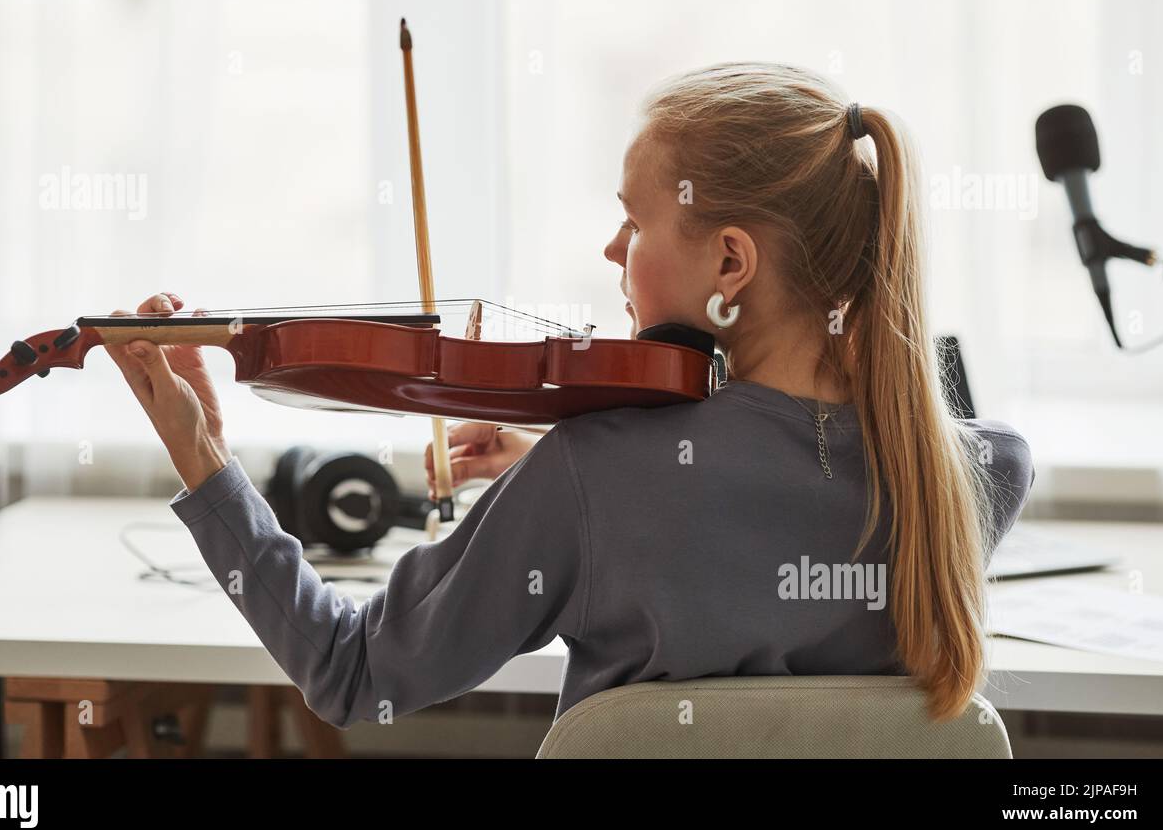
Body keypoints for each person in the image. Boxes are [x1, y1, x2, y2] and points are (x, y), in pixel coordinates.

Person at [106, 63, 1034, 730]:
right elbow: (756, 498)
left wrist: (204, 455)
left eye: (632, 221)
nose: (609, 251)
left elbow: (350, 676)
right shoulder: (977, 475)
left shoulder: (601, 475)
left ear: (730, 261)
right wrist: (572, 487)